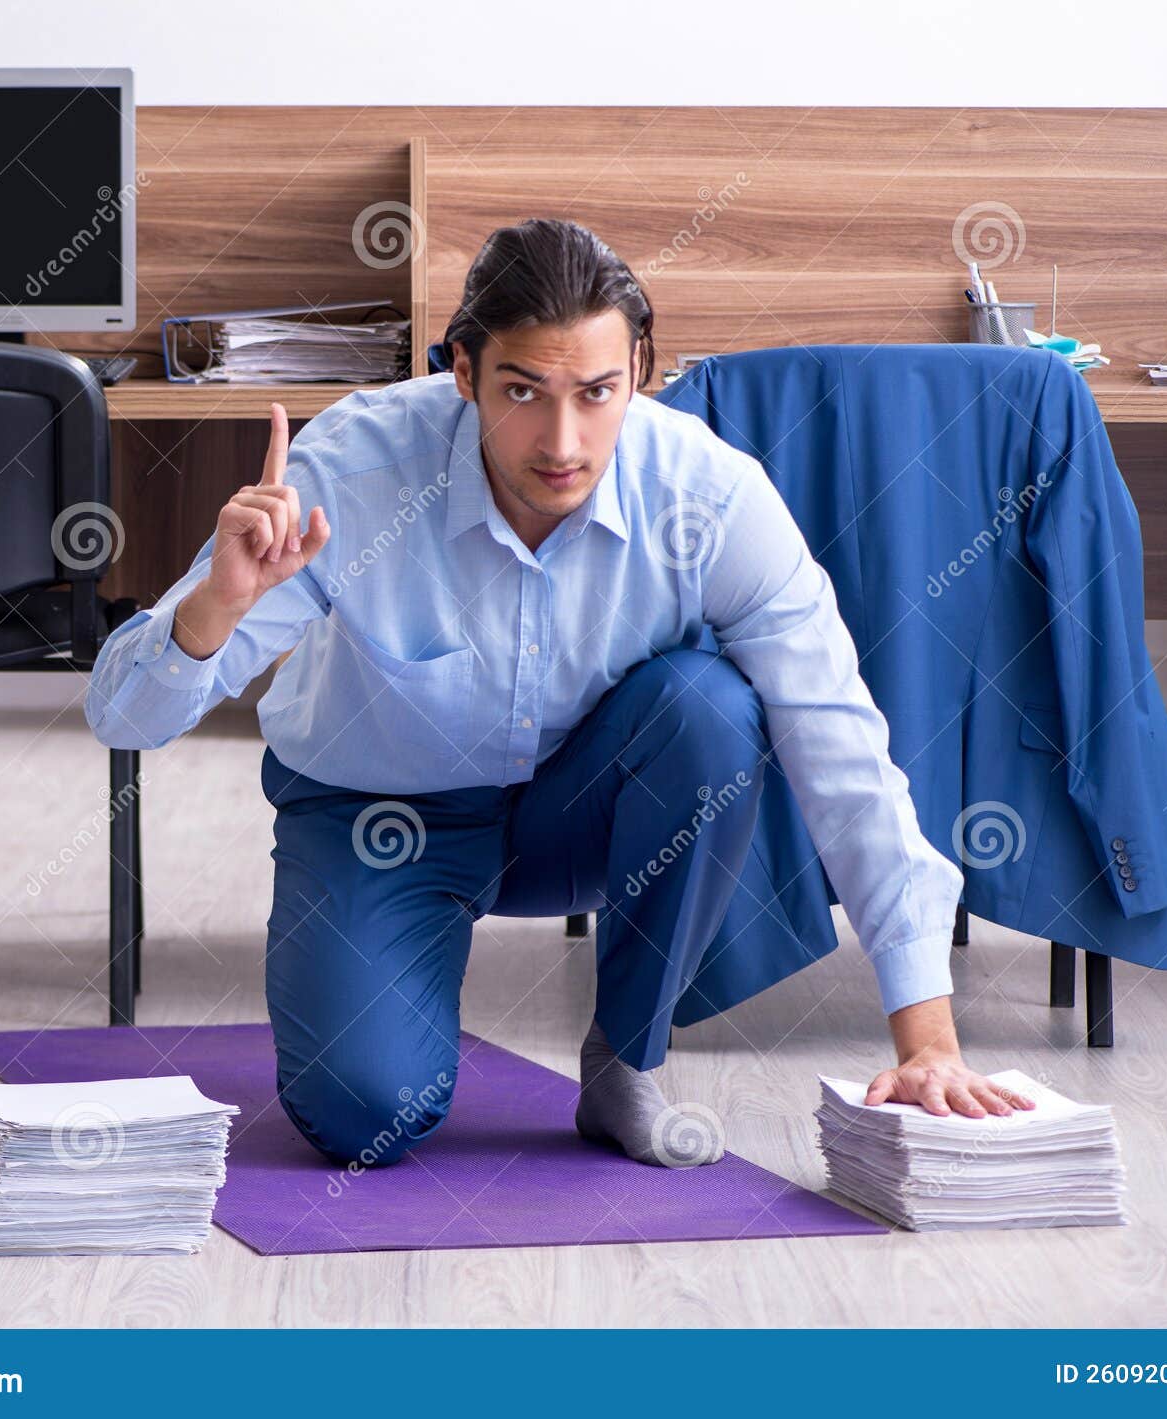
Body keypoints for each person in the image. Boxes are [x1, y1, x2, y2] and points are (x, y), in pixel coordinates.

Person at [85, 217, 1034, 1171]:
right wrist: (215, 606)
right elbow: (120, 716)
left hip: (577, 814)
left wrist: (928, 1040)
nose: (563, 442)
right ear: (462, 371)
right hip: (378, 815)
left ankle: (624, 1059)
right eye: (523, 392)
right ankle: (385, 997)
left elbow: (841, 749)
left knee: (710, 711)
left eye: (597, 393)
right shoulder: (354, 470)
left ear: (642, 373)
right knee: (364, 1117)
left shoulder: (709, 496)